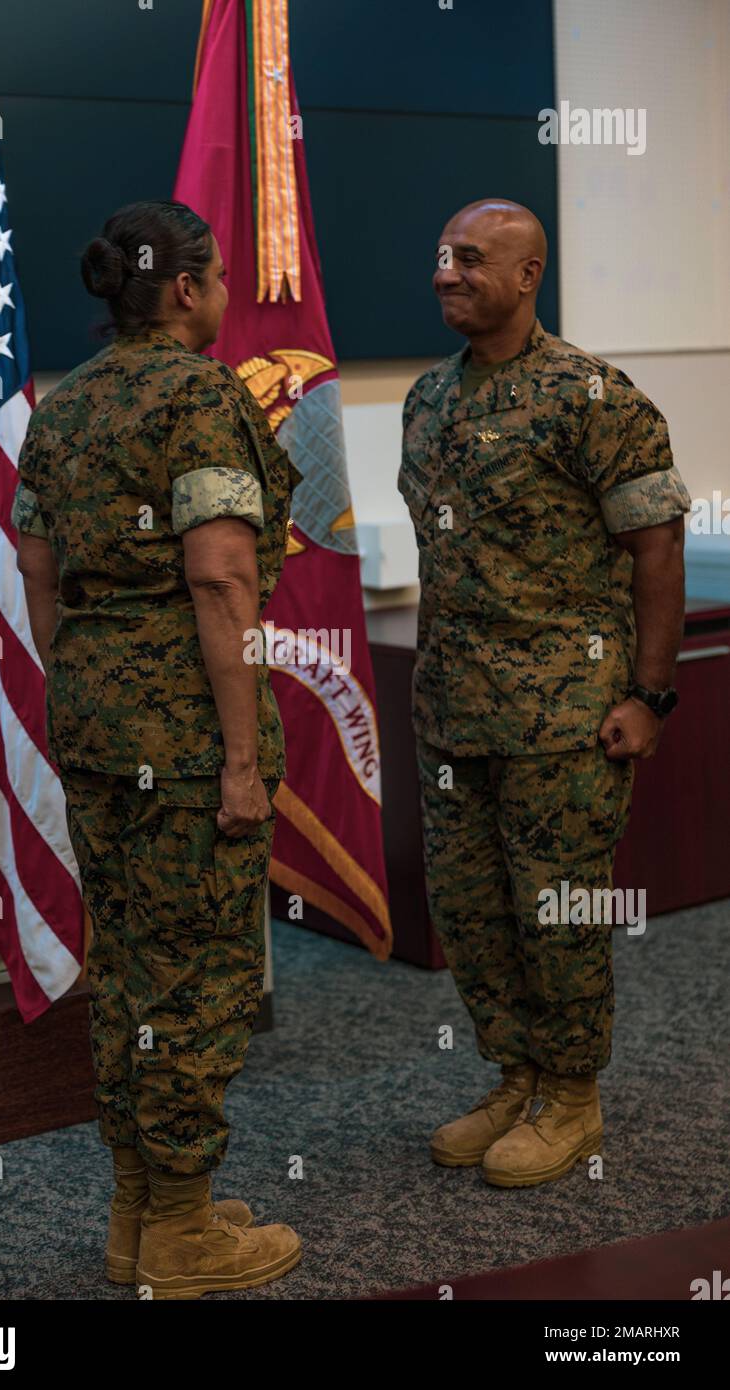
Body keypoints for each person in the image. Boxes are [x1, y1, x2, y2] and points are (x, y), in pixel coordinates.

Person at [11, 200, 302, 1296]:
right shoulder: (195, 394)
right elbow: (222, 574)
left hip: (94, 720)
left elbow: (37, 575)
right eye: (218, 275)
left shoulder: (65, 404)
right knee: (196, 978)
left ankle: (139, 1208)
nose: (225, 292)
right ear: (182, 288)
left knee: (130, 964)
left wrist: (87, 688)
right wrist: (236, 759)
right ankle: (180, 1233)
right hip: (185, 732)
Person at [398, 198, 691, 1188]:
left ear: (528, 276)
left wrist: (650, 694)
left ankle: (571, 1095)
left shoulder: (590, 398)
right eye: (442, 257)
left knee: (555, 914)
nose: (447, 272)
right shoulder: (425, 398)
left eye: (471, 259)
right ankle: (513, 1076)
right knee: (472, 914)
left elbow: (654, 545)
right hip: (452, 714)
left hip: (561, 716)